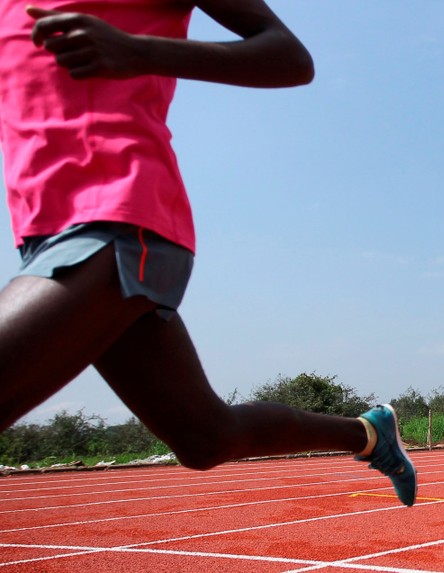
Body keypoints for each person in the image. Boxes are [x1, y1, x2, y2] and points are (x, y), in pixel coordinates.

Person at [0, 1, 416, 507]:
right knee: (206, 438)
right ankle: (367, 433)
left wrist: (137, 51)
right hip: (40, 228)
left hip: (118, 215)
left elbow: (288, 56)